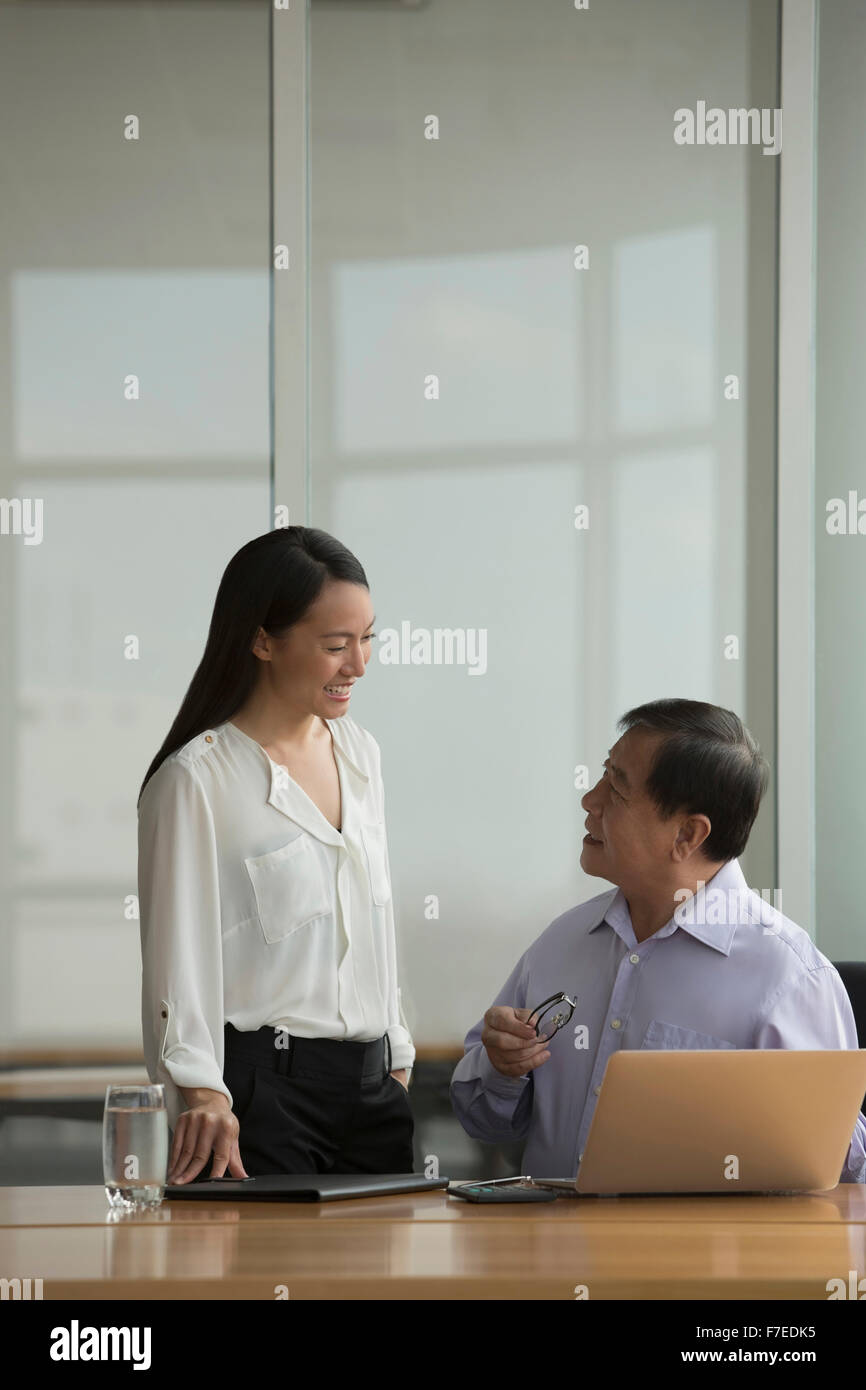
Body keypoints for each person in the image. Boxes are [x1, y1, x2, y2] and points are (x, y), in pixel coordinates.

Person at [450, 698, 866, 1183]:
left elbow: (841, 1180)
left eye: (617, 789)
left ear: (688, 834)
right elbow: (482, 1122)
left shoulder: (790, 977)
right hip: (551, 1254)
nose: (590, 799)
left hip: (695, 1258)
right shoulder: (561, 943)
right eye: (603, 774)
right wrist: (502, 1069)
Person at [137, 526, 415, 1182]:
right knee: (274, 1282)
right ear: (263, 640)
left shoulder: (361, 754)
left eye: (368, 637)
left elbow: (376, 921)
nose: (359, 664)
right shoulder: (195, 781)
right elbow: (177, 961)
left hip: (376, 1096)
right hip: (262, 1104)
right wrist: (202, 1094)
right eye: (335, 645)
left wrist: (396, 1059)